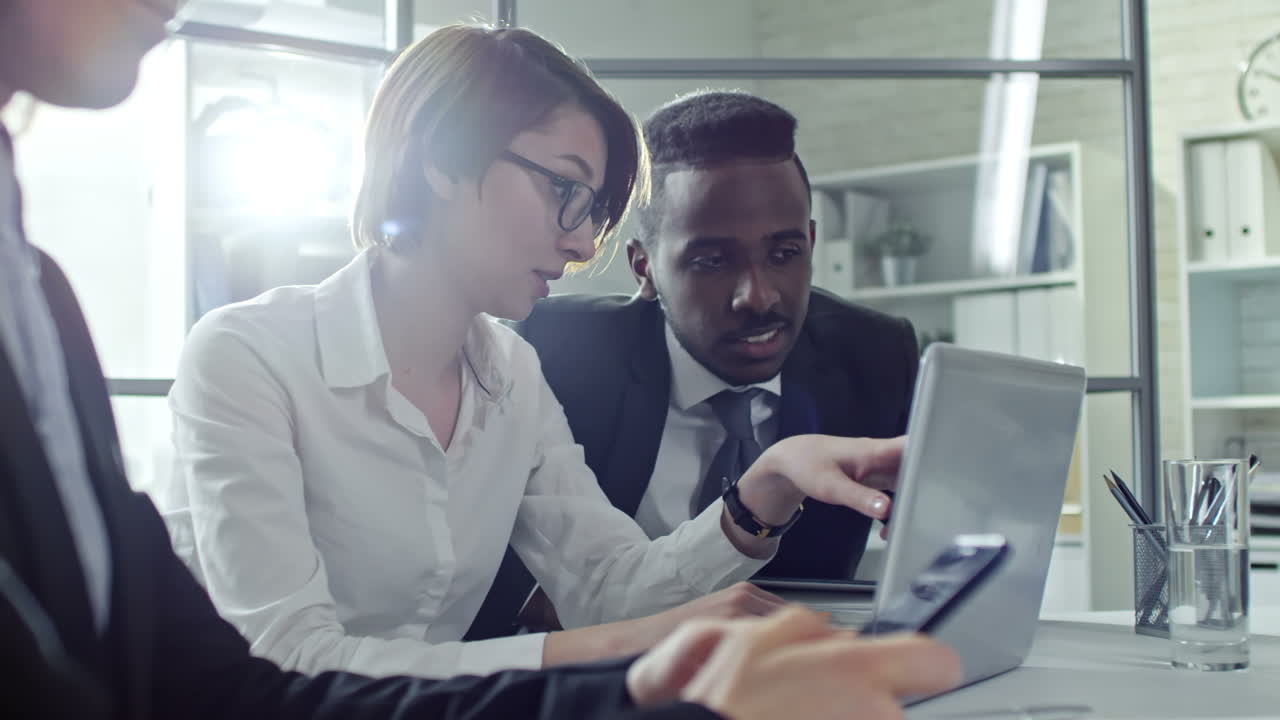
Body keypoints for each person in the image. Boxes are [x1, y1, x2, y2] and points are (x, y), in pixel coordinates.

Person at [0, 1, 969, 718]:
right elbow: (287, 655)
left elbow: (610, 582)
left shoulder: (511, 372)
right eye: (563, 192)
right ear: (437, 157)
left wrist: (762, 486)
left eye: (591, 210)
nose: (583, 242)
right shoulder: (249, 355)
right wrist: (614, 653)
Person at [472, 91, 918, 637]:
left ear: (811, 242)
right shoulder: (563, 352)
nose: (758, 297)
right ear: (645, 268)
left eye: (784, 253)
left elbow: (937, 543)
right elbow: (522, 592)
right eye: (711, 261)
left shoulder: (874, 355)